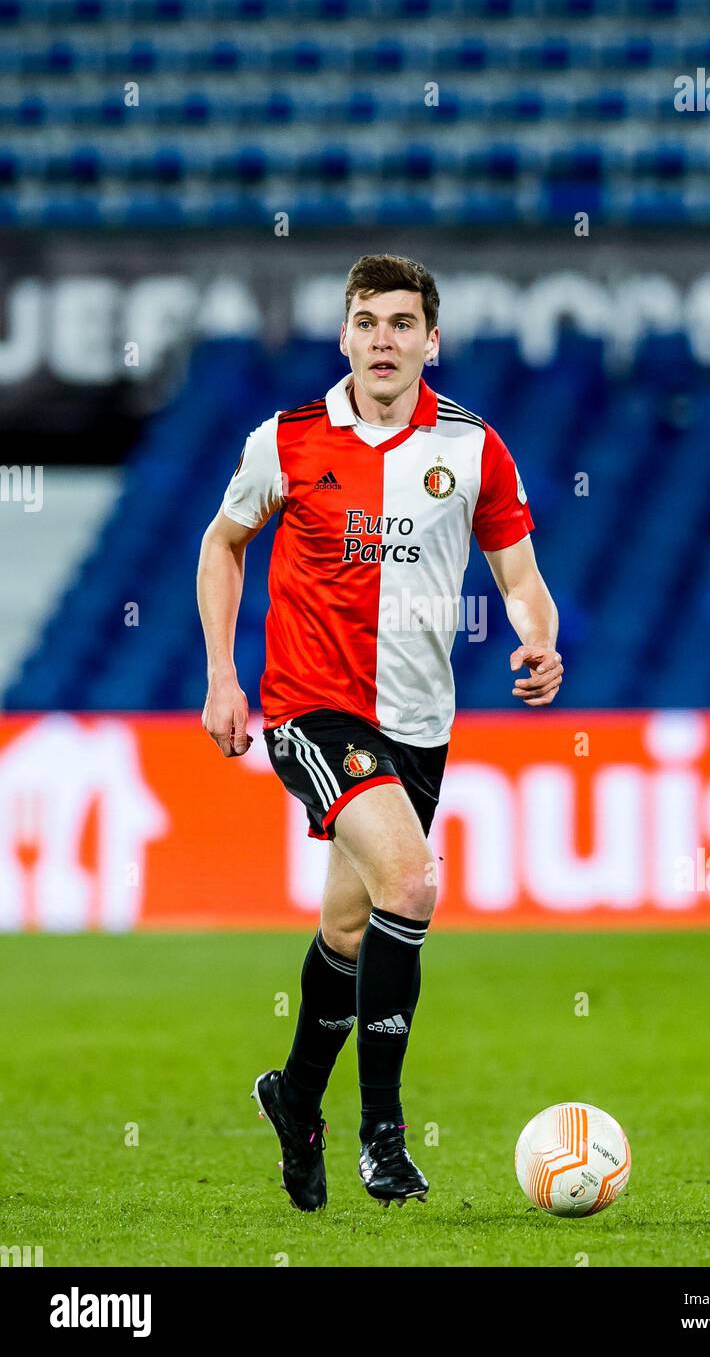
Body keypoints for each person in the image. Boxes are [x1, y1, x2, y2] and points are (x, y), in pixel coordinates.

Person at [197, 253, 563, 1210]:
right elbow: (223, 544)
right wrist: (222, 677)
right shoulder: (286, 443)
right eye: (367, 322)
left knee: (352, 929)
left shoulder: (474, 447)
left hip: (419, 723)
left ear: (430, 341)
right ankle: (383, 1140)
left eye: (403, 324)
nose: (384, 340)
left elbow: (520, 579)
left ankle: (294, 1097)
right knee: (413, 881)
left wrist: (539, 644)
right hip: (313, 708)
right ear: (345, 335)